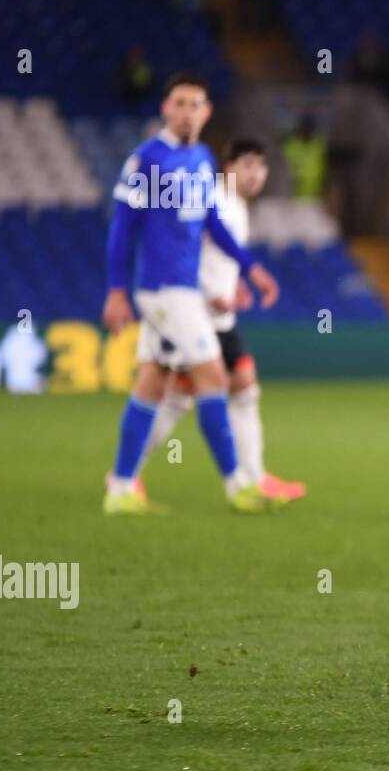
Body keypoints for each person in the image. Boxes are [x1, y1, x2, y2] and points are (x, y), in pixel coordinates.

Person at [102, 73, 282, 514]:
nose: (187, 111)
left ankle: (121, 487)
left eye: (195, 104)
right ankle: (238, 484)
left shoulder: (201, 159)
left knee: (153, 383)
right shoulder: (147, 160)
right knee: (213, 377)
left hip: (179, 291)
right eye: (179, 103)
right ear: (165, 109)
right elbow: (123, 228)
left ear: (207, 112)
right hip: (164, 291)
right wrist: (115, 290)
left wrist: (250, 267)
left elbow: (212, 226)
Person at [127, 139, 307, 504]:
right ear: (228, 166)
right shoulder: (216, 201)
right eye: (247, 164)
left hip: (218, 317)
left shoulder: (237, 206)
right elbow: (187, 250)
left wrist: (235, 281)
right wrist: (211, 291)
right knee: (176, 397)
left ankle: (255, 476)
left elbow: (218, 254)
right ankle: (126, 475)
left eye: (260, 166)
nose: (255, 173)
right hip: (192, 311)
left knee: (243, 385)